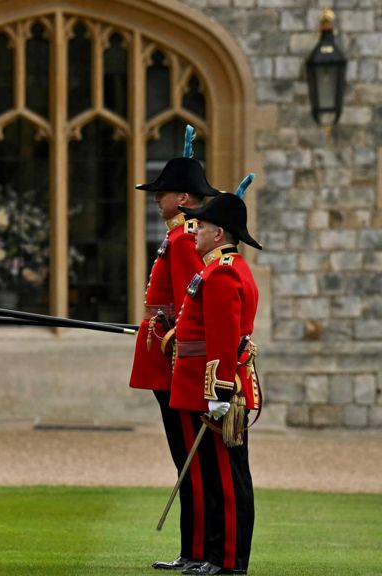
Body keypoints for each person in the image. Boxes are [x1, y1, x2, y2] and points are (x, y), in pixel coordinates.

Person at [129, 154, 219, 571]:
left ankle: (197, 551)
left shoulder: (184, 239)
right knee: (186, 461)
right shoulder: (178, 235)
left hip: (174, 365)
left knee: (191, 464)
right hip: (165, 359)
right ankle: (192, 550)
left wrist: (168, 338)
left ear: (183, 198)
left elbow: (189, 308)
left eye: (162, 193)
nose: (156, 199)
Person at [171, 190, 262, 576]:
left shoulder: (223, 272)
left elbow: (224, 338)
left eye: (202, 225)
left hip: (219, 389)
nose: (195, 231)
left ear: (219, 233)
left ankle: (227, 561)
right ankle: (216, 555)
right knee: (217, 474)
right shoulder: (219, 268)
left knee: (226, 478)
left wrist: (219, 391)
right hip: (210, 386)